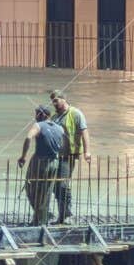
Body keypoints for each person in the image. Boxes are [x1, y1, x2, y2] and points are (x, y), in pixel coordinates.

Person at [17, 105, 67, 226]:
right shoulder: (60, 128)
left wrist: (23, 156)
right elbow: (64, 145)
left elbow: (28, 137)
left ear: (42, 115)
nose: (35, 117)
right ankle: (39, 219)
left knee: (31, 188)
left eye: (36, 114)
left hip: (40, 161)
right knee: (46, 191)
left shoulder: (38, 125)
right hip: (54, 162)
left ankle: (41, 215)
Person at [49, 90, 92, 225]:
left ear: (63, 99)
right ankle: (61, 215)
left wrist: (87, 151)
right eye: (52, 101)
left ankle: (68, 214)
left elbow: (84, 132)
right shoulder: (55, 117)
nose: (53, 103)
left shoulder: (75, 113)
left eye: (55, 100)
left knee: (63, 184)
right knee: (55, 187)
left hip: (69, 155)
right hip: (55, 155)